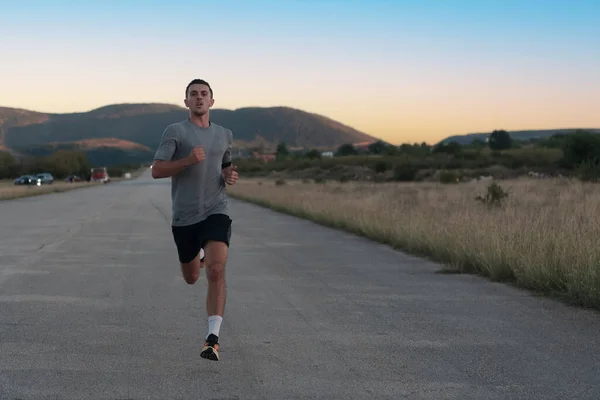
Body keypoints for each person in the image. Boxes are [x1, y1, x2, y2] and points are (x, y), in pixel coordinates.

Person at [151, 78, 238, 361]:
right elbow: (157, 170)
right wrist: (186, 161)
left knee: (216, 270)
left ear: (212, 101)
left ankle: (212, 338)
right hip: (185, 217)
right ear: (186, 101)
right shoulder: (175, 131)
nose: (199, 98)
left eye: (204, 94)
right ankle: (197, 254)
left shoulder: (225, 134)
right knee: (191, 277)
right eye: (193, 94)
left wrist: (228, 175)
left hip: (216, 208)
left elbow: (225, 163)